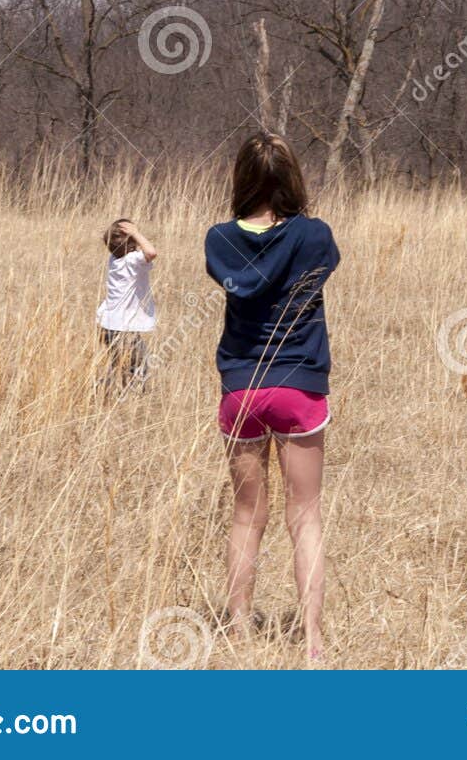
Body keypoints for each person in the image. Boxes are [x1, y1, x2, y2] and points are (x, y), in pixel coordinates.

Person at [205, 133, 340, 665]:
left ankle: (237, 632)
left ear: (241, 179)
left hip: (241, 387)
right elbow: (321, 262)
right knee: (304, 515)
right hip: (300, 383)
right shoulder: (314, 235)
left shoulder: (218, 238)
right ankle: (312, 640)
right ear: (292, 178)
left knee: (246, 515)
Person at [97, 218, 157, 393]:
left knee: (119, 364)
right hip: (123, 326)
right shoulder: (132, 261)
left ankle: (108, 392)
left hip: (107, 324)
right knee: (139, 364)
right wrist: (136, 233)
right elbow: (151, 252)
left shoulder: (113, 260)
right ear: (132, 244)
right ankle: (131, 396)